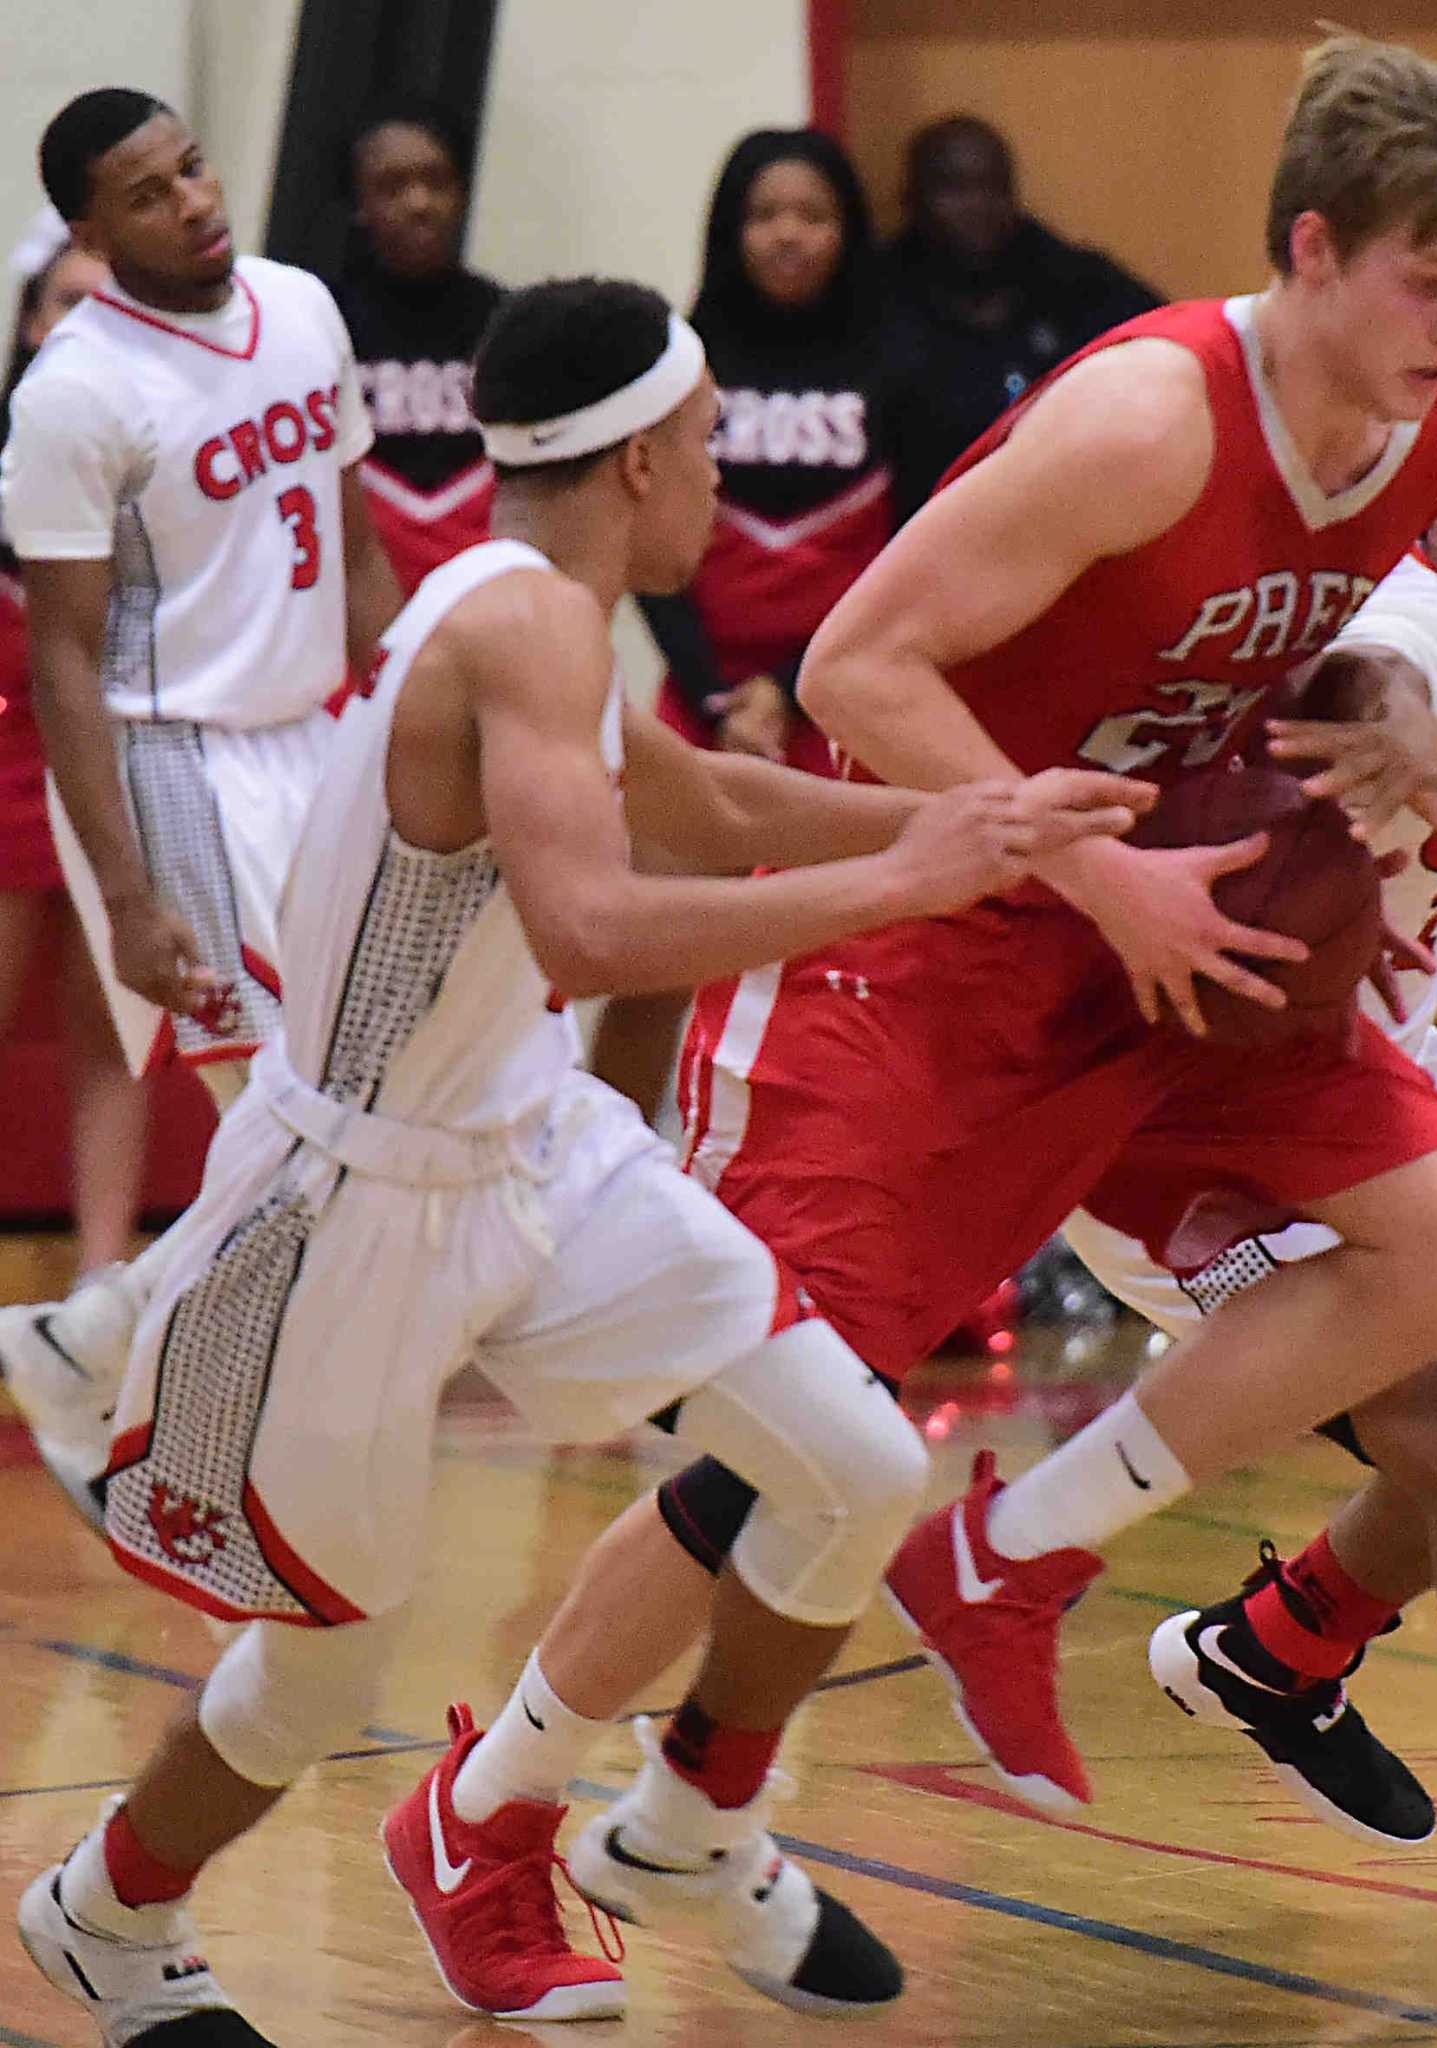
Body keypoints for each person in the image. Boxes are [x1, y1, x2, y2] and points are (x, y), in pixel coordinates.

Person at [680, 34, 1437, 2000]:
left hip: (1378, 1052)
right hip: (1187, 1035)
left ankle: (1281, 1639)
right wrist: (1375, 731)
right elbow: (1331, 671)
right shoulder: (1386, 594)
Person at [15, 275, 1152, 2041]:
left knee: (855, 1457)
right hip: (360, 1197)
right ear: (635, 461)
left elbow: (704, 805)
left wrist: (970, 825)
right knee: (327, 1666)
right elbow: (600, 923)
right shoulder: (523, 629)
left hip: (527, 1146)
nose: (719, 470)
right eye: (704, 443)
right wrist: (912, 881)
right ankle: (106, 1911)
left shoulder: (537, 604)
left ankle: (691, 1820)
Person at [0, 88, 404, 1522]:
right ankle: (210, 1437)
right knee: (304, 1124)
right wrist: (123, 894)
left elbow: (354, 545)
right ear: (95, 229)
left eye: (195, 164)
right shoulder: (73, 391)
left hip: (320, 737)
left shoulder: (300, 304)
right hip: (174, 765)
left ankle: (83, 1338)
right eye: (150, 192)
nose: (193, 200)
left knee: (360, 1114)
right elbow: (61, 659)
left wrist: (415, 715)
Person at [641, 127, 900, 775]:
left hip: (851, 691)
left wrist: (787, 690)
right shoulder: (673, 367)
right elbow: (641, 544)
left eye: (813, 215)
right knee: (667, 872)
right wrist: (715, 697)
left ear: (850, 230)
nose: (788, 234)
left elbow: (923, 544)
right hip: (705, 698)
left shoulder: (906, 364)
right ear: (729, 231)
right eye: (763, 216)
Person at [0, 234, 150, 1280]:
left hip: (117, 757)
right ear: (27, 319)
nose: (81, 326)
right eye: (65, 302)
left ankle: (102, 1286)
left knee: (116, 1029)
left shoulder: (165, 458)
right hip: (7, 751)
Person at [885, 114, 1161, 518]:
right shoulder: (879, 293)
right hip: (916, 532)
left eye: (994, 188)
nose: (977, 207)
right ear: (913, 199)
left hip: (1058, 524)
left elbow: (1164, 350)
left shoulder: (1073, 282)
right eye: (955, 189)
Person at [330, 96, 503, 594]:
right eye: (392, 187)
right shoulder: (319, 322)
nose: (419, 203)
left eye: (437, 181)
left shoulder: (508, 323)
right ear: (359, 203)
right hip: (359, 603)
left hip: (478, 599)